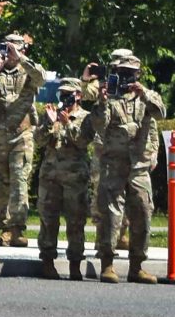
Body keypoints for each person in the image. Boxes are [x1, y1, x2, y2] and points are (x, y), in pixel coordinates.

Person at [92, 49, 165, 283]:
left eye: (131, 74)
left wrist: (144, 94)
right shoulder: (108, 96)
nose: (126, 78)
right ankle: (107, 263)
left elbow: (160, 114)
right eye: (122, 73)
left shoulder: (146, 96)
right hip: (114, 162)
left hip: (139, 166)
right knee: (111, 215)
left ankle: (137, 266)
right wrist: (103, 101)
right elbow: (98, 125)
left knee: (143, 213)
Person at [0, 33, 45, 247]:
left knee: (19, 183)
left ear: (23, 50)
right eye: (7, 47)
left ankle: (18, 229)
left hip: (21, 135)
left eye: (14, 48)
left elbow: (41, 78)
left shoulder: (29, 70)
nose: (10, 52)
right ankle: (4, 229)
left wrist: (21, 59)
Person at [34, 77, 98, 279]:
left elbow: (82, 142)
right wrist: (49, 123)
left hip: (74, 178)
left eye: (68, 94)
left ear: (78, 95)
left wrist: (66, 124)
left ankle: (75, 265)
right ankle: (47, 262)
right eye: (62, 94)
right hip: (50, 176)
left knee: (76, 221)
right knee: (48, 220)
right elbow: (38, 141)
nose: (64, 98)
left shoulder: (86, 117)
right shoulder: (52, 113)